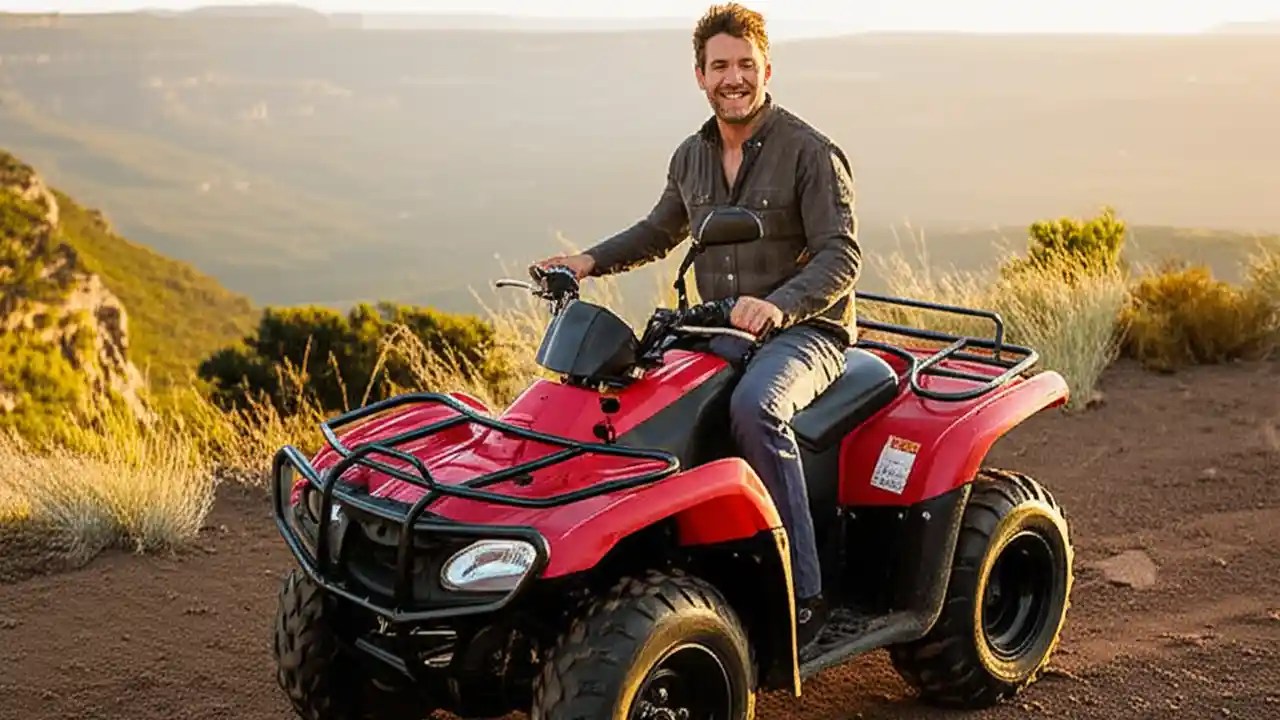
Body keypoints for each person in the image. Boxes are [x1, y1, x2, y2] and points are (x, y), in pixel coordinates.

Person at [532, 2, 860, 656]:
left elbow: (841, 254)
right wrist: (587, 261)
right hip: (720, 330)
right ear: (700, 76)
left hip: (807, 333)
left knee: (755, 408)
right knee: (633, 404)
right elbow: (659, 229)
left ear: (767, 68)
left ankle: (802, 593)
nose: (732, 77)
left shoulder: (808, 151)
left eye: (745, 64)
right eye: (719, 66)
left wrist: (779, 306)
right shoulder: (691, 156)